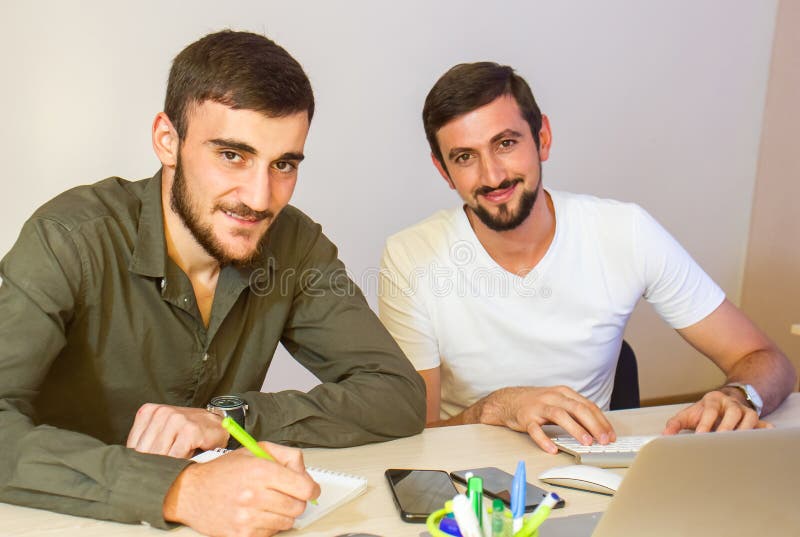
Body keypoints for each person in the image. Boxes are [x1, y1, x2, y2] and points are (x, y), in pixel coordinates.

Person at [0, 30, 426, 536]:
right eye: (232, 155)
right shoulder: (69, 238)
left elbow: (398, 394)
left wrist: (230, 418)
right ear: (168, 140)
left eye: (284, 164)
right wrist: (178, 489)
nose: (259, 197)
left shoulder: (294, 245)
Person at [378, 61, 795, 455]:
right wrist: (495, 408)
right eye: (465, 157)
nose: (492, 176)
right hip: (470, 482)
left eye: (505, 143)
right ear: (443, 170)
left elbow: (764, 360)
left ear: (542, 139)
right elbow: (418, 438)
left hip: (594, 470)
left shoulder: (625, 231)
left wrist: (737, 395)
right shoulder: (411, 257)